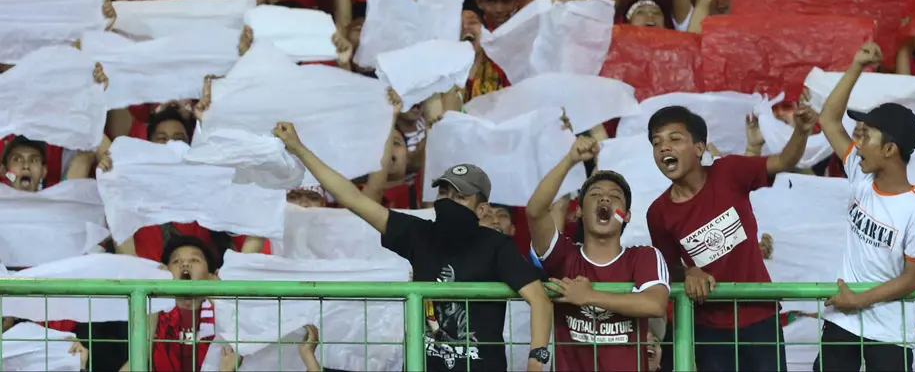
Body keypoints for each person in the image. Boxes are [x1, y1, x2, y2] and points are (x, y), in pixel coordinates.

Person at [273, 121, 554, 372]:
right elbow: (352, 199)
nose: (447, 200)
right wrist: (299, 149)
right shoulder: (419, 234)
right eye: (443, 192)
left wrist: (535, 362)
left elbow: (540, 300)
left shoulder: (497, 246)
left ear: (481, 210)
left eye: (460, 196)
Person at [645, 102, 818, 371]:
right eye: (657, 143)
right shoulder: (658, 213)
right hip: (707, 328)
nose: (664, 148)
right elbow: (667, 269)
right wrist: (689, 273)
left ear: (699, 148)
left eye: (674, 139)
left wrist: (802, 131)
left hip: (760, 317)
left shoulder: (730, 171)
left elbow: (783, 161)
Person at [814, 42, 915, 372]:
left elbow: (911, 279)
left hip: (889, 332)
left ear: (890, 149)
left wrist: (859, 300)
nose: (859, 142)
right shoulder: (860, 174)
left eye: (867, 136)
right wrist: (856, 65)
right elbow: (828, 118)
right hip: (842, 323)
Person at [526, 134, 670, 371]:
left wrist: (589, 296)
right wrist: (570, 160)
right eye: (594, 195)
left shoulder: (645, 256)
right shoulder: (564, 255)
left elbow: (655, 304)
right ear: (580, 211)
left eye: (615, 196)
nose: (605, 197)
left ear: (627, 216)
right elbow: (535, 211)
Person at [120, 235, 218, 372]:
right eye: (177, 261)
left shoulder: (222, 310)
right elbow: (139, 358)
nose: (185, 264)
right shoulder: (155, 311)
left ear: (210, 275)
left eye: (195, 260)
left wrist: (219, 298)